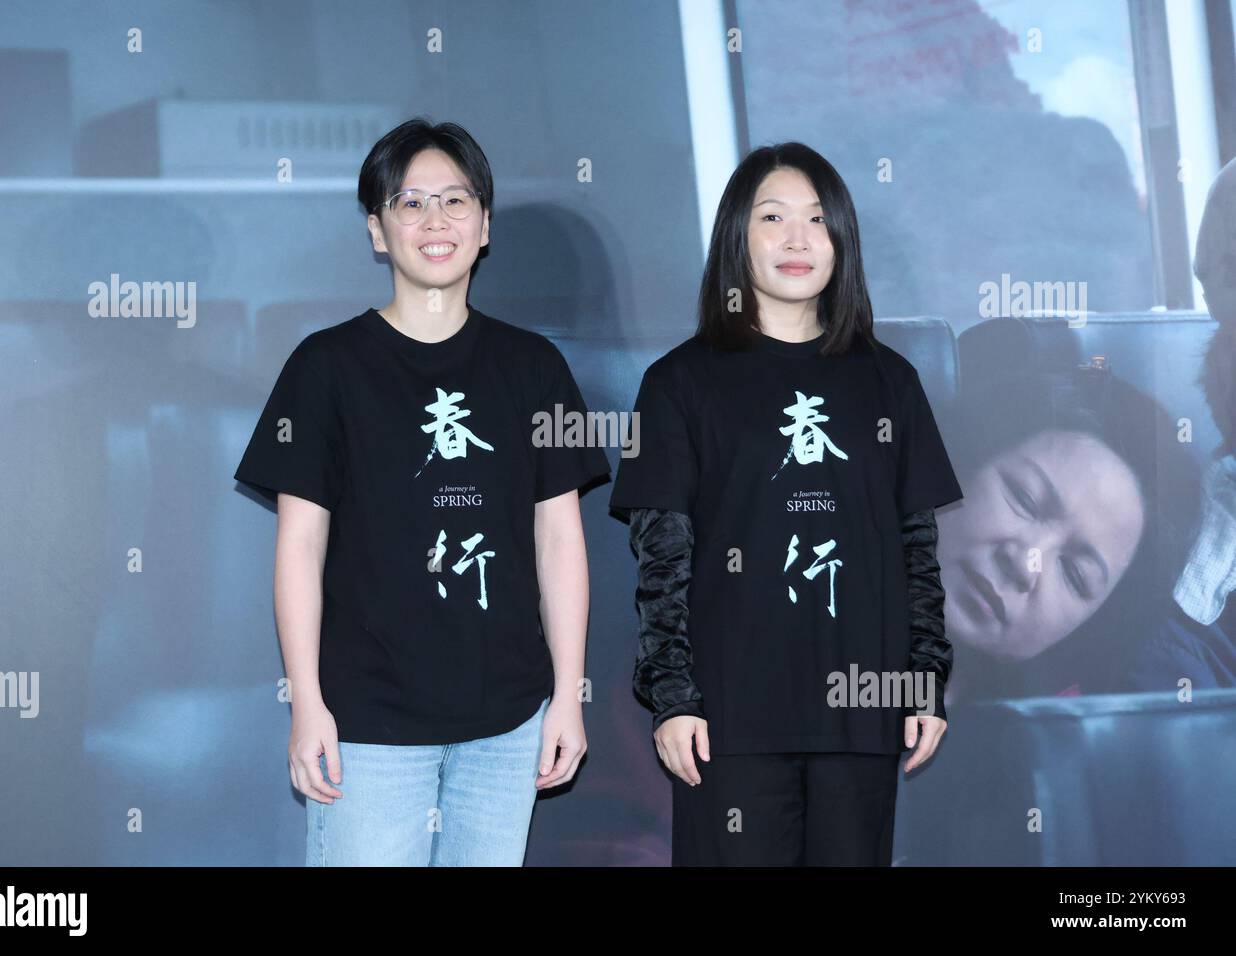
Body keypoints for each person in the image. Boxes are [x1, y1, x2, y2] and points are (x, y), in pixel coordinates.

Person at [233, 117, 611, 866]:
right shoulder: (326, 367)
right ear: (378, 230)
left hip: (508, 720)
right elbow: (300, 545)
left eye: (455, 201)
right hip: (367, 720)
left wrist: (567, 694)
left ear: (484, 224)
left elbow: (559, 538)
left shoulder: (534, 367)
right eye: (410, 203)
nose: (435, 221)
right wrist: (306, 702)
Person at [608, 142, 964, 866]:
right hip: (730, 722)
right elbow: (661, 567)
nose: (797, 239)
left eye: (817, 220)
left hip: (863, 716)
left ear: (842, 242)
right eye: (773, 217)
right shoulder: (679, 384)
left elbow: (916, 552)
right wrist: (674, 700)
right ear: (738, 235)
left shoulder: (890, 382)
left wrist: (923, 683)